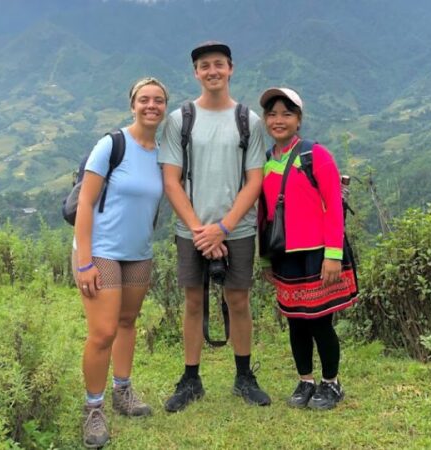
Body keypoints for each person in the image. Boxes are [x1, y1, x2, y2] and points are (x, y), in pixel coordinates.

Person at [159, 41, 270, 412]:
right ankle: (191, 379)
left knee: (238, 299)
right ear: (196, 73)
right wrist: (199, 230)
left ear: (231, 68)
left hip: (236, 228)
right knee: (193, 301)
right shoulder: (180, 119)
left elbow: (254, 181)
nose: (212, 71)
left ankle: (244, 377)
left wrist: (222, 227)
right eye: (205, 66)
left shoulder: (248, 121)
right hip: (191, 228)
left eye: (218, 64)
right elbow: (171, 180)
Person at [72, 77, 168, 447]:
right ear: (132, 104)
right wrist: (84, 261)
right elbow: (85, 202)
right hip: (102, 251)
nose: (151, 106)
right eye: (144, 99)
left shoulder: (160, 152)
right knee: (103, 332)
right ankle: (93, 409)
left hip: (138, 252)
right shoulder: (112, 145)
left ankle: (122, 391)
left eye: (158, 100)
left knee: (128, 322)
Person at [258, 87, 358, 410]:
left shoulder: (315, 155)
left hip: (317, 255)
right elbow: (264, 215)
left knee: (319, 321)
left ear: (299, 120)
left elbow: (333, 208)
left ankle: (332, 382)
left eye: (286, 113)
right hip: (285, 256)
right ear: (265, 120)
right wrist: (265, 261)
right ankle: (305, 380)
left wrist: (333, 255)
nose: (278, 120)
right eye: (272, 114)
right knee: (295, 320)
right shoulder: (265, 163)